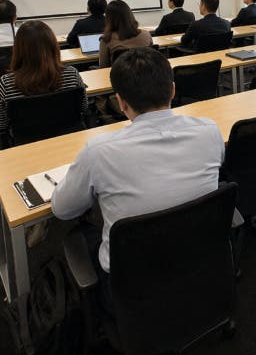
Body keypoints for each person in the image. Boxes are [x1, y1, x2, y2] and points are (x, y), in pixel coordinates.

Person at [52, 47, 224, 278]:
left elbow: (63, 209)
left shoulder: (98, 152)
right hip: (199, 262)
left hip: (131, 284)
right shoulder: (210, 131)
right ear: (173, 91)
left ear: (121, 103)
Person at [0, 20, 87, 135]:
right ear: (53, 45)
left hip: (27, 145)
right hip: (69, 139)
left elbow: (0, 125)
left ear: (17, 48)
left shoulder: (6, 83)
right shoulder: (72, 74)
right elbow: (83, 108)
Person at [99, 0, 152, 68]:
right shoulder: (146, 35)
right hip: (146, 75)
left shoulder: (106, 40)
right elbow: (152, 59)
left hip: (119, 77)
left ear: (108, 18)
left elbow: (104, 66)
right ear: (129, 14)